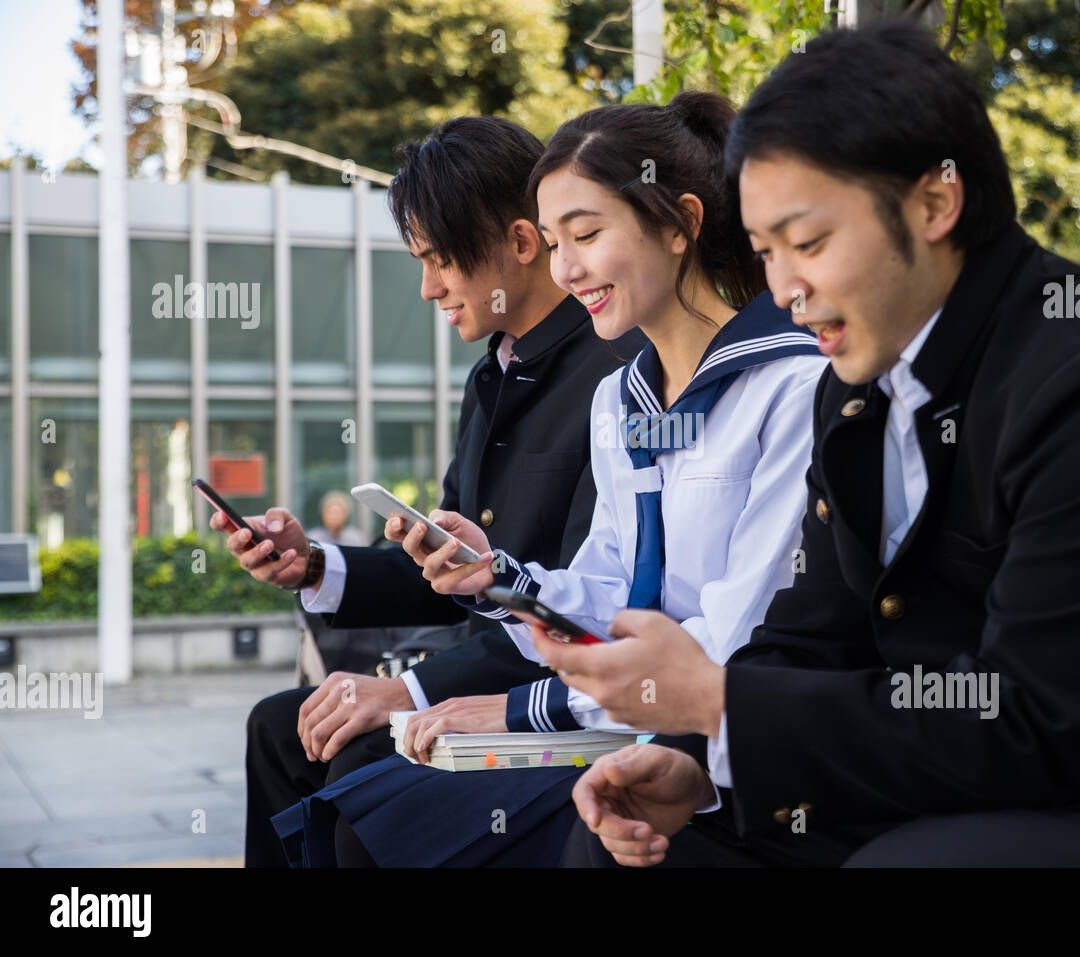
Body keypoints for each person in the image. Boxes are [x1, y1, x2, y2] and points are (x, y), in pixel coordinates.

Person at [538, 21, 1080, 867]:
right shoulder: (858, 384)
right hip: (948, 781)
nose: (785, 290)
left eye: (810, 243)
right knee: (625, 845)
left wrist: (725, 705)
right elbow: (812, 634)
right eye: (763, 252)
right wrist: (698, 759)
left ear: (936, 203)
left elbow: (1032, 724)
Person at [270, 90, 828, 867]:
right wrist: (492, 576)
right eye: (557, 240)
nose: (568, 268)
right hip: (618, 721)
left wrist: (523, 708)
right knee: (338, 824)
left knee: (374, 832)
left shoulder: (789, 385)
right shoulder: (621, 397)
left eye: (587, 234)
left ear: (681, 225)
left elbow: (733, 636)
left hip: (714, 752)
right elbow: (604, 586)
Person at [216, 116, 641, 867]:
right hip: (478, 669)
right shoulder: (490, 379)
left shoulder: (616, 374)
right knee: (277, 730)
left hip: (555, 690)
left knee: (352, 768)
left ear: (521, 241)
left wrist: (408, 690)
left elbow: (583, 606)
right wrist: (315, 563)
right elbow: (449, 577)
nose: (427, 287)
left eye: (440, 260)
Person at [305, 491, 369, 547]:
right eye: (331, 512)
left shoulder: (356, 538)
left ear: (346, 515)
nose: (335, 517)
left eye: (338, 513)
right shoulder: (313, 538)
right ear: (323, 514)